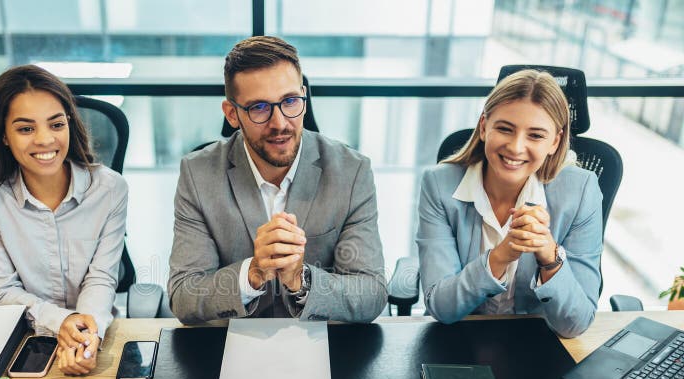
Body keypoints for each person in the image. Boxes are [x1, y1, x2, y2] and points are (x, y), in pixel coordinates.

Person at [168, 36, 387, 323]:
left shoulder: (351, 171)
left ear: (304, 99)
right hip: (229, 343)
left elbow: (371, 293)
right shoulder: (198, 174)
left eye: (290, 101)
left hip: (324, 343)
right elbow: (184, 295)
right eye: (259, 107)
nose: (280, 123)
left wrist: (301, 278)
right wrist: (253, 273)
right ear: (232, 114)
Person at [0, 65, 128, 375]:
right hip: (19, 339)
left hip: (93, 332)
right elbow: (1, 290)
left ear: (70, 125)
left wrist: (85, 335)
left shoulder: (110, 189)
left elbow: (101, 277)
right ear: (4, 136)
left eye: (56, 124)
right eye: (26, 129)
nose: (45, 140)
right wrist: (58, 321)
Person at [417, 69, 602, 338]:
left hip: (536, 342)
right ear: (483, 127)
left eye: (536, 135)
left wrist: (549, 256)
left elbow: (575, 323)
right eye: (505, 129)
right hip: (457, 339)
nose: (516, 147)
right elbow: (442, 308)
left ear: (555, 141)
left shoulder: (581, 191)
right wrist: (502, 255)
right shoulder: (438, 184)